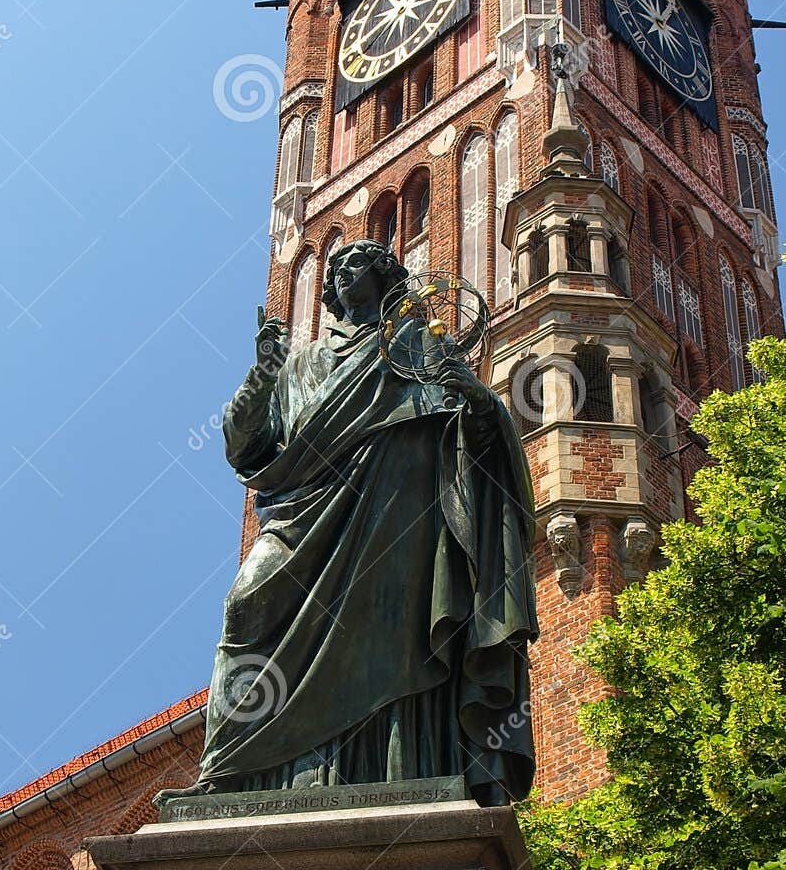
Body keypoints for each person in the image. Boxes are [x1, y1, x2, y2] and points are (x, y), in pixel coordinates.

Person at [183, 238, 537, 806]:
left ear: (385, 275)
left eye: (359, 262)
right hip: (305, 509)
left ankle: (396, 772)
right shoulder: (298, 364)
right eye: (337, 266)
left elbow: (472, 427)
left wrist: (478, 400)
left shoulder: (414, 342)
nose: (344, 271)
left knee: (394, 639)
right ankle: (228, 770)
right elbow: (243, 445)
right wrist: (264, 370)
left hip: (398, 506)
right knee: (246, 606)